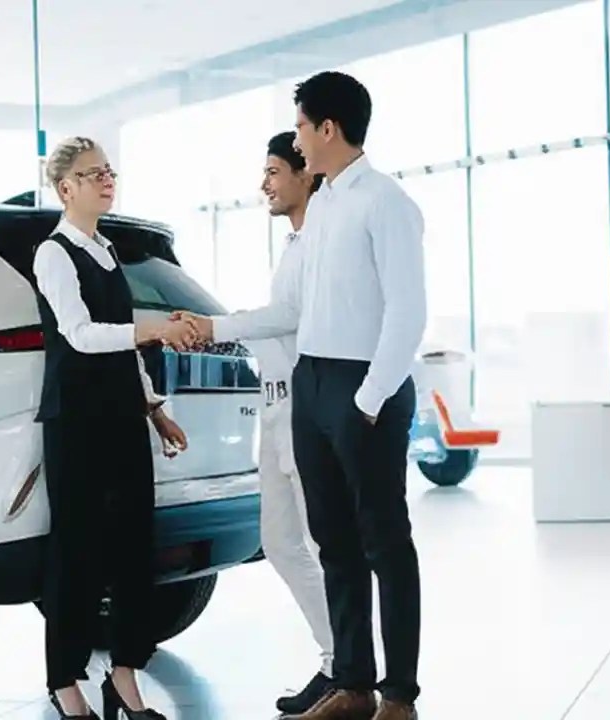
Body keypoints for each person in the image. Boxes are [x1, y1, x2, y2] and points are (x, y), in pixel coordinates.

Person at [176, 72, 427, 720]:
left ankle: (398, 696)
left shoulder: (385, 203)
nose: (295, 140)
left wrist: (369, 400)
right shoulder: (326, 212)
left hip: (362, 386)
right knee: (334, 543)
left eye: (298, 128)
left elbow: (408, 312)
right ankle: (351, 683)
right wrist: (215, 328)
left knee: (384, 544)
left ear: (327, 129)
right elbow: (290, 309)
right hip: (315, 382)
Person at [33, 135, 193, 720]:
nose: (107, 180)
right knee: (75, 553)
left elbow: (122, 350)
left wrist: (154, 408)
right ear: (65, 187)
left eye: (109, 171)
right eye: (93, 173)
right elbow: (79, 334)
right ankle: (66, 683)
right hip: (77, 421)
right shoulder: (54, 254)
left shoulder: (105, 251)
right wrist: (152, 330)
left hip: (124, 416)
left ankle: (123, 677)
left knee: (132, 553)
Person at [253, 131, 335, 715]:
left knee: (321, 542)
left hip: (305, 412)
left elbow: (288, 318)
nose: (265, 184)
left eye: (275, 171)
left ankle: (345, 667)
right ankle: (338, 657)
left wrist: (215, 326)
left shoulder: (321, 244)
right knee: (279, 542)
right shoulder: (293, 244)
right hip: (274, 408)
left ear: (306, 174)